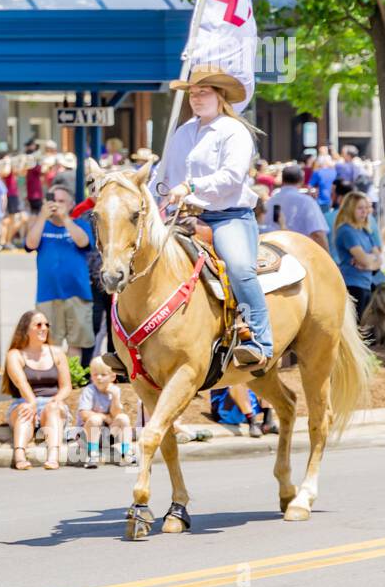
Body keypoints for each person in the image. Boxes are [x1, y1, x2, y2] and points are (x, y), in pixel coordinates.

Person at [154, 65, 273, 368]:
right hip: (184, 216)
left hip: (227, 216)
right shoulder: (182, 132)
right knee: (141, 258)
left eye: (203, 92)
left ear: (220, 96)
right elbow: (164, 174)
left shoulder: (234, 131)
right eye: (192, 93)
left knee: (238, 267)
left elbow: (232, 177)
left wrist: (191, 185)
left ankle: (261, 341)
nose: (196, 98)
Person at [25, 183, 95, 361]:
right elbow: (30, 244)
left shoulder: (80, 224)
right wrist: (42, 217)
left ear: (71, 204)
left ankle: (73, 378)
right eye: (52, 200)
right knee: (49, 342)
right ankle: (54, 378)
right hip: (48, 293)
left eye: (61, 201)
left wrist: (66, 219)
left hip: (77, 293)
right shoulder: (41, 226)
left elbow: (83, 242)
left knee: (76, 342)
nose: (55, 204)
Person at [0, 310, 70, 470]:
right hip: (24, 401)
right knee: (25, 410)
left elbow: (66, 386)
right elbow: (20, 382)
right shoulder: (15, 354)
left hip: (52, 403)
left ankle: (53, 456)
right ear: (26, 329)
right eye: (38, 324)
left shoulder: (56, 352)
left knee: (53, 409)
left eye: (46, 325)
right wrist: (31, 402)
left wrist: (57, 400)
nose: (44, 328)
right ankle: (19, 456)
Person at [331, 191, 381, 321]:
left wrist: (368, 265)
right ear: (350, 209)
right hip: (352, 285)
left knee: (362, 326)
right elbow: (364, 259)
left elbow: (379, 260)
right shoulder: (346, 231)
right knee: (355, 327)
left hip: (366, 284)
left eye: (366, 208)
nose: (364, 212)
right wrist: (369, 261)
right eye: (360, 208)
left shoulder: (365, 230)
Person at [76, 357, 133, 467]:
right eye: (95, 374)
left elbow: (116, 415)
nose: (99, 378)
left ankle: (126, 452)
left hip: (107, 435)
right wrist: (105, 417)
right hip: (86, 436)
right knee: (95, 419)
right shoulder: (89, 390)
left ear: (112, 376)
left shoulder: (115, 390)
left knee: (123, 418)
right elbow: (84, 414)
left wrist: (115, 397)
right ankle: (92, 455)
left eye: (103, 374)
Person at [270, 164, 329, 250]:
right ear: (301, 180)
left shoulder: (270, 201)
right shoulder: (307, 201)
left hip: (273, 253)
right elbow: (318, 234)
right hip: (300, 254)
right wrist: (327, 260)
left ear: (283, 180)